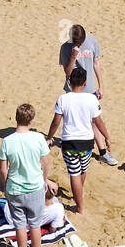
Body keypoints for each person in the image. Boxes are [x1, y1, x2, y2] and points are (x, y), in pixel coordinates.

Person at [46, 67, 112, 214]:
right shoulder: (91, 99)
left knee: (74, 173)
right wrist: (107, 137)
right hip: (87, 142)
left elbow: (56, 122)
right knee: (83, 169)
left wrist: (49, 137)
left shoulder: (63, 99)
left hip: (70, 142)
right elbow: (98, 122)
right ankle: (79, 196)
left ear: (70, 82)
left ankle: (80, 207)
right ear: (85, 83)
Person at [0, 103, 52, 247]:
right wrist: (43, 180)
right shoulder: (38, 138)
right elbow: (46, 163)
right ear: (32, 120)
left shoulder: (7, 141)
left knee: (20, 226)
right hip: (35, 187)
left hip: (15, 189)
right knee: (35, 225)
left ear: (16, 118)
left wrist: (6, 186)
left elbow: (3, 169)